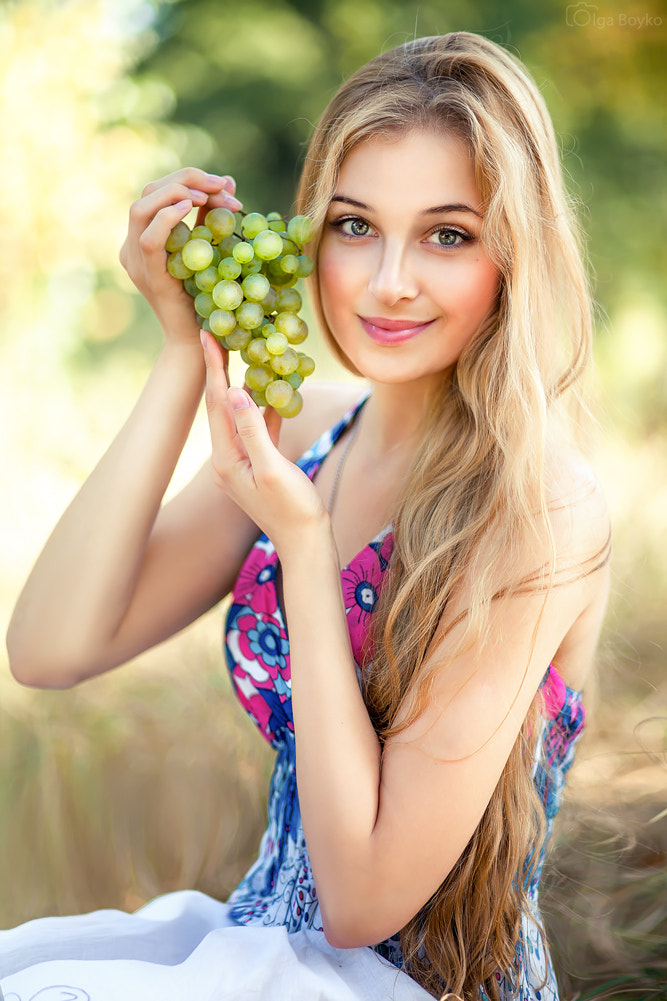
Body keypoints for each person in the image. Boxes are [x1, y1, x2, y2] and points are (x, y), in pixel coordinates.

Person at [3, 30, 610, 1001]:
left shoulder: (540, 506)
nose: (388, 280)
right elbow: (48, 647)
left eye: (446, 234)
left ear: (512, 252)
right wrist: (179, 350)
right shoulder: (313, 432)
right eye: (355, 226)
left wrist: (300, 542)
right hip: (263, 949)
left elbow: (361, 901)